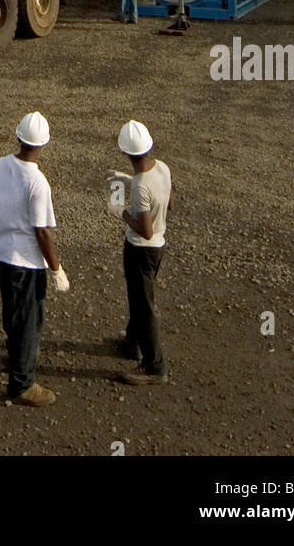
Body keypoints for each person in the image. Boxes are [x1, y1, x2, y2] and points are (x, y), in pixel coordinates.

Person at [0, 112, 70, 406]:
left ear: (18, 136)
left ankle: (14, 359)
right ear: (43, 143)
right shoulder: (38, 183)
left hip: (4, 256)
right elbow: (42, 231)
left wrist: (1, 238)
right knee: (29, 322)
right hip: (27, 263)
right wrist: (56, 268)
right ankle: (22, 384)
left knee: (12, 313)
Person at [111, 119, 172, 386]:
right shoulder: (163, 168)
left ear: (125, 153)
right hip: (158, 247)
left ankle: (154, 366)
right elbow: (169, 202)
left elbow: (144, 229)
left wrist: (122, 212)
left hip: (140, 249)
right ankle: (131, 342)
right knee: (139, 297)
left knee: (143, 305)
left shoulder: (140, 186)